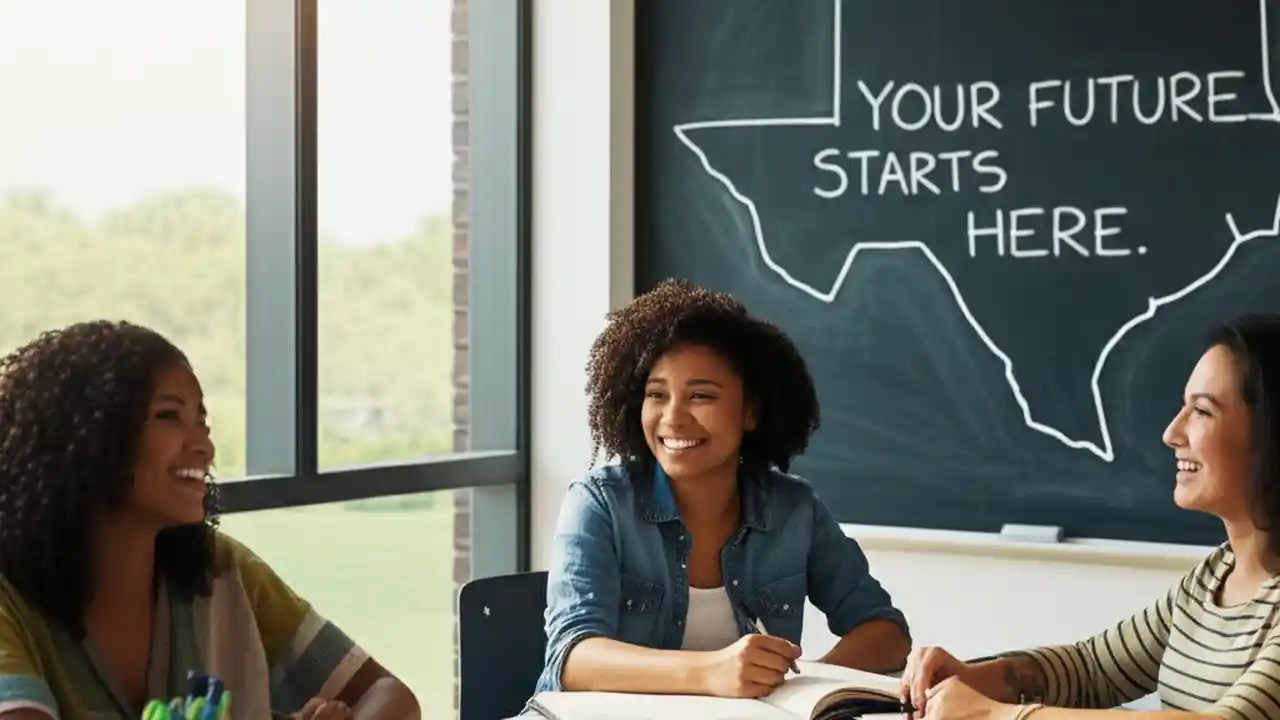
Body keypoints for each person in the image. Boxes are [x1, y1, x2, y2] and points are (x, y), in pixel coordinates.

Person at [0, 321, 420, 720]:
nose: (203, 444)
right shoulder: (10, 601)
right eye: (169, 416)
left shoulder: (219, 570)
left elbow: (388, 695)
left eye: (202, 420)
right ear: (85, 436)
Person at [534, 278, 910, 700]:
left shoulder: (793, 509)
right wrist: (709, 672)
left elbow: (886, 631)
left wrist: (802, 684)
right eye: (657, 394)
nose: (673, 418)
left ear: (750, 411)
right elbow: (571, 657)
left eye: (701, 396)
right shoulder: (599, 503)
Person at [900, 314, 1280, 720]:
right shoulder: (1214, 576)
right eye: (1183, 407)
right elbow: (1093, 669)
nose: (1173, 432)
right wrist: (974, 677)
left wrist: (998, 714)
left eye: (1202, 411)